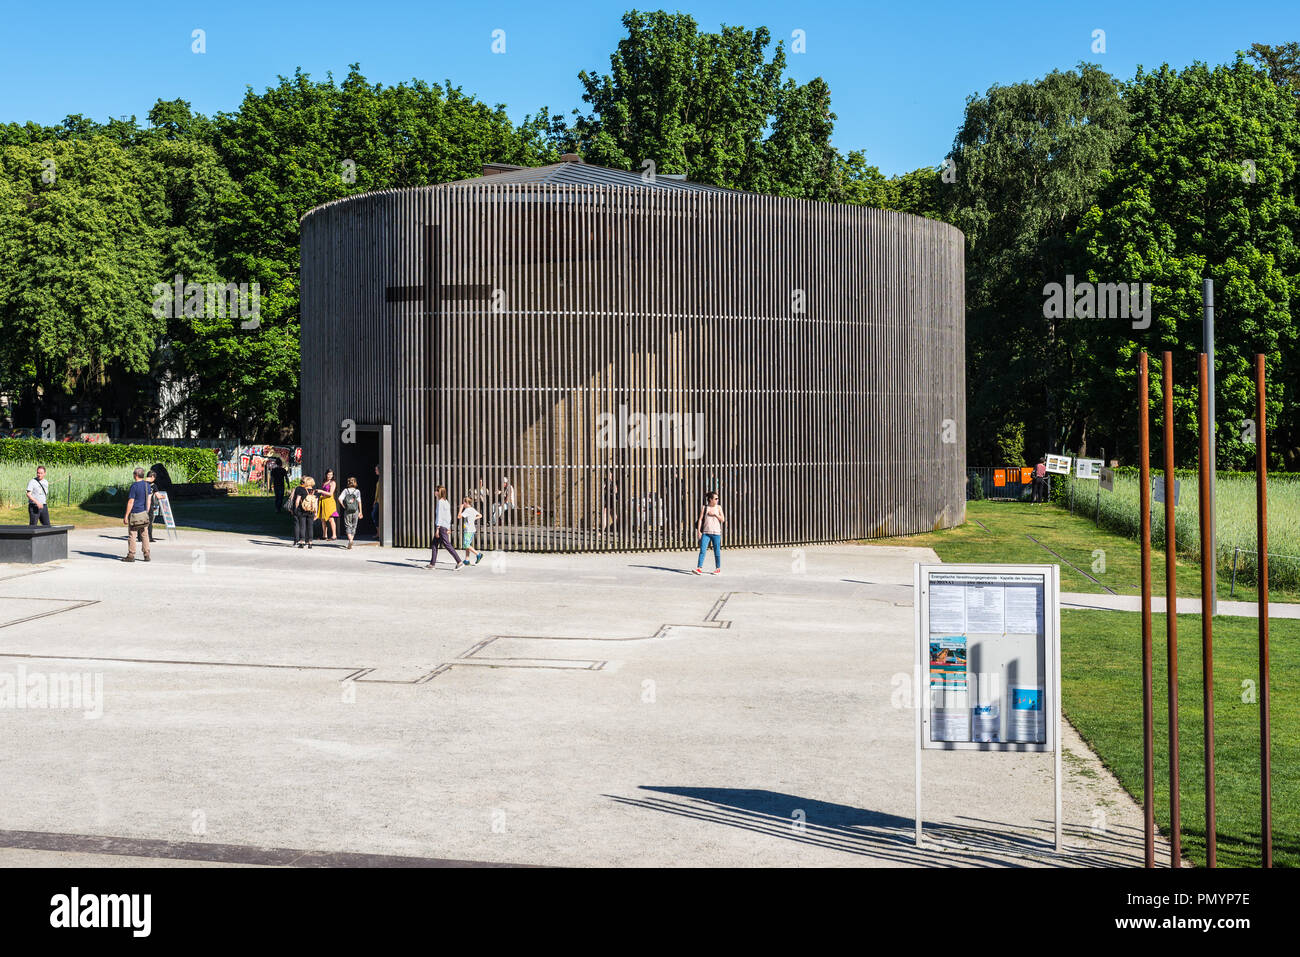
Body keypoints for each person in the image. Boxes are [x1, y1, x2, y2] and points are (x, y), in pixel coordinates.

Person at [122, 467, 153, 562]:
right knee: (145, 534)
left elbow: (131, 502)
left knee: (132, 534)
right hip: (144, 513)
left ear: (135, 475)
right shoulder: (147, 485)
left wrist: (126, 515)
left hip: (135, 513)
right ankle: (147, 554)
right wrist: (146, 511)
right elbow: (149, 500)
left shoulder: (134, 486)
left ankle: (131, 555)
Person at [427, 485, 462, 569]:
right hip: (445, 526)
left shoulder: (440, 502)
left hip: (441, 527)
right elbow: (448, 516)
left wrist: (437, 529)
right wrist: (448, 527)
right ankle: (432, 564)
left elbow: (440, 516)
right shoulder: (446, 502)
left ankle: (459, 562)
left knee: (447, 544)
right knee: (434, 544)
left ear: (438, 492)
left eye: (436, 490)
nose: (434, 492)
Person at [693, 490, 726, 575]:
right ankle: (699, 568)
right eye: (716, 498)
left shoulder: (719, 507)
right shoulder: (705, 507)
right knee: (702, 550)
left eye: (717, 498)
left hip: (716, 533)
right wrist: (699, 531)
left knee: (717, 551)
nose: (717, 500)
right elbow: (700, 519)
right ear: (710, 499)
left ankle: (718, 568)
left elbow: (723, 519)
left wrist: (715, 514)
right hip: (706, 533)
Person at [290, 476, 319, 548]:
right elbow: (316, 503)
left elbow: (297, 501)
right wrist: (316, 512)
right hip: (311, 511)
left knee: (302, 526)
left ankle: (302, 541)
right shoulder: (315, 491)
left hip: (302, 510)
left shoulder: (301, 490)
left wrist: (296, 509)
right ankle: (310, 542)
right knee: (310, 527)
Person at [337, 477, 363, 549]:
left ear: (348, 483)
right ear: (355, 482)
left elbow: (340, 499)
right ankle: (352, 539)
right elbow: (359, 501)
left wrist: (344, 506)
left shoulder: (345, 490)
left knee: (348, 525)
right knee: (354, 525)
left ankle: (350, 540)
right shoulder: (357, 491)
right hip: (355, 510)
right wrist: (360, 512)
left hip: (347, 510)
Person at [458, 495, 484, 566]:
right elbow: (480, 515)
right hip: (472, 530)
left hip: (468, 530)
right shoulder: (472, 509)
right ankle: (467, 560)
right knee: (468, 545)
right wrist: (473, 519)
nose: (463, 504)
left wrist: (460, 509)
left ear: (466, 503)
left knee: (466, 544)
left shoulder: (467, 510)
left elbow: (459, 516)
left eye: (463, 502)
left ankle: (478, 554)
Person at [318, 469, 339, 541]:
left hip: (329, 502)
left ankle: (334, 535)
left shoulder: (333, 483)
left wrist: (321, 491)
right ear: (326, 474)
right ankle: (324, 535)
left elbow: (330, 493)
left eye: (331, 474)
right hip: (323, 501)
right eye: (328, 474)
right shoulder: (324, 482)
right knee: (323, 519)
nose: (330, 476)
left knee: (330, 519)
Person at [371, 465, 383, 540]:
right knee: (375, 516)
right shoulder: (379, 479)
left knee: (374, 515)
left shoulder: (382, 479)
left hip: (380, 501)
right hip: (377, 500)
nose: (375, 471)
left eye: (376, 470)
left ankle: (379, 533)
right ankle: (378, 533)